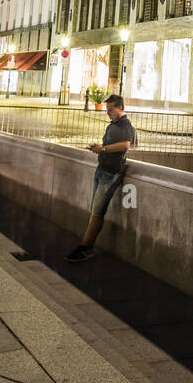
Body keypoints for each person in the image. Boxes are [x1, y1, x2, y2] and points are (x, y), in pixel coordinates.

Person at [66, 94, 136, 262]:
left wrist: (102, 149)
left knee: (97, 211)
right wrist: (98, 148)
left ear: (120, 108)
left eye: (111, 109)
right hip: (102, 170)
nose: (108, 113)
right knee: (95, 210)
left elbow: (126, 145)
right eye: (107, 109)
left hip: (110, 173)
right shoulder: (114, 125)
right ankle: (86, 245)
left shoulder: (125, 125)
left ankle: (86, 247)